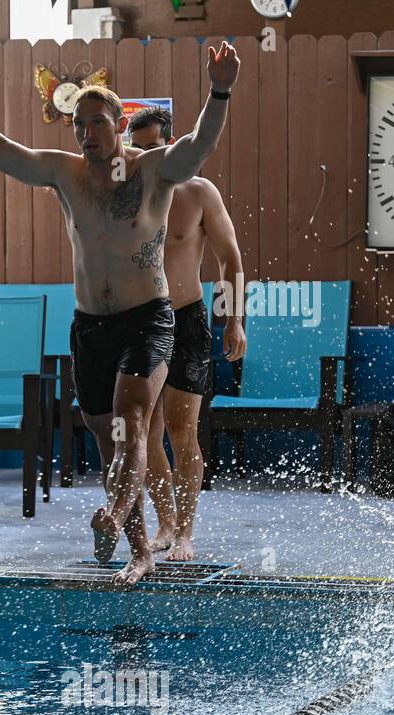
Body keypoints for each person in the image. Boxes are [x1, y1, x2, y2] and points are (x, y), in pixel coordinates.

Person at [0, 42, 240, 586]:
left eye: (98, 122)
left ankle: (115, 513)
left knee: (135, 419)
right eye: (79, 124)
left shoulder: (154, 171)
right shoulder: (64, 174)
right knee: (109, 440)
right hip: (90, 326)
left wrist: (219, 90)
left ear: (118, 123)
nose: (88, 133)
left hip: (149, 318)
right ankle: (139, 549)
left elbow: (200, 143)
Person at [128, 107, 247, 562]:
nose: (145, 155)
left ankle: (186, 531)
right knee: (144, 430)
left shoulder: (198, 193)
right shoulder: (125, 195)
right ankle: (165, 521)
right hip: (140, 322)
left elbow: (230, 258)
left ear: (173, 145)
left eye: (153, 145)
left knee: (182, 427)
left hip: (188, 319)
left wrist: (234, 320)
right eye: (137, 148)